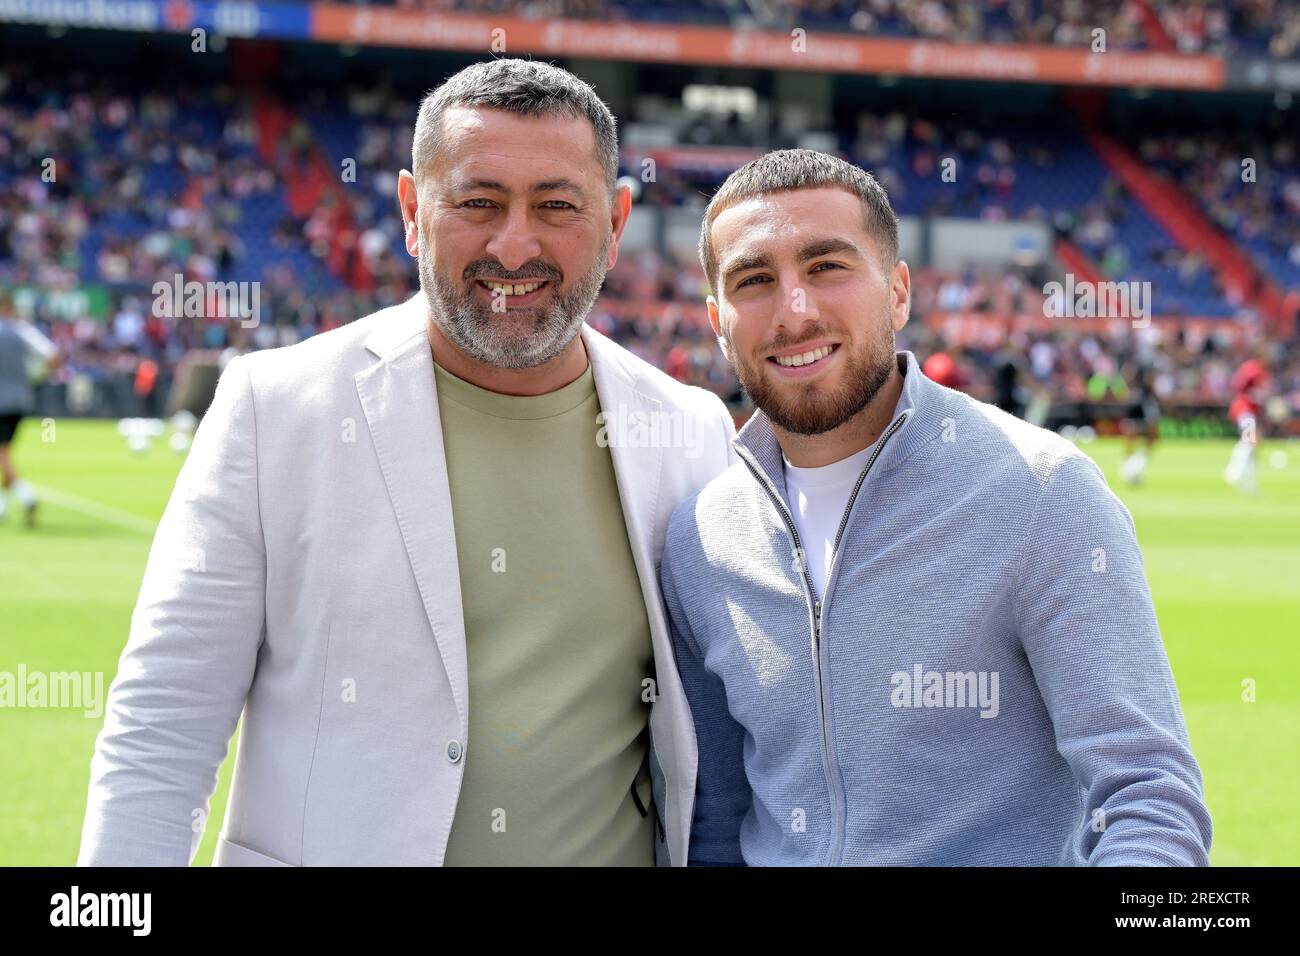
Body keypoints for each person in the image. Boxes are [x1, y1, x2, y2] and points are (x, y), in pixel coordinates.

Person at [79, 59, 735, 867]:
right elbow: (162, 728)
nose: (514, 244)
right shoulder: (274, 409)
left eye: (557, 205)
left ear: (616, 221)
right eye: (478, 202)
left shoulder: (689, 431)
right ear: (412, 212)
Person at [658, 149, 1211, 866]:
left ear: (898, 293)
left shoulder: (1042, 492)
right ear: (717, 320)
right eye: (754, 280)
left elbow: (1149, 800)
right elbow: (716, 819)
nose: (795, 310)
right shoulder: (699, 539)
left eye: (827, 266)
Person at [0, 292, 58, 526]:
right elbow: (53, 356)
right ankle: (2, 507)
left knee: (2, 452)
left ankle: (27, 496)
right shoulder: (24, 331)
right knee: (5, 450)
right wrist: (34, 378)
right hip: (21, 399)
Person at [1224, 352, 1269, 495]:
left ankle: (1247, 477)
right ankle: (1234, 473)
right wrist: (1258, 396)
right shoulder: (1252, 368)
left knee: (1253, 442)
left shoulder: (1260, 369)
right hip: (1244, 410)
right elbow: (1239, 387)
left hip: (1250, 411)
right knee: (1249, 440)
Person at [1119, 359, 1161, 486]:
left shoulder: (1145, 393)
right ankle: (1129, 465)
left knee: (1152, 438)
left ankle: (1136, 464)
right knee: (1132, 439)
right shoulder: (1139, 392)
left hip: (1140, 415)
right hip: (1135, 416)